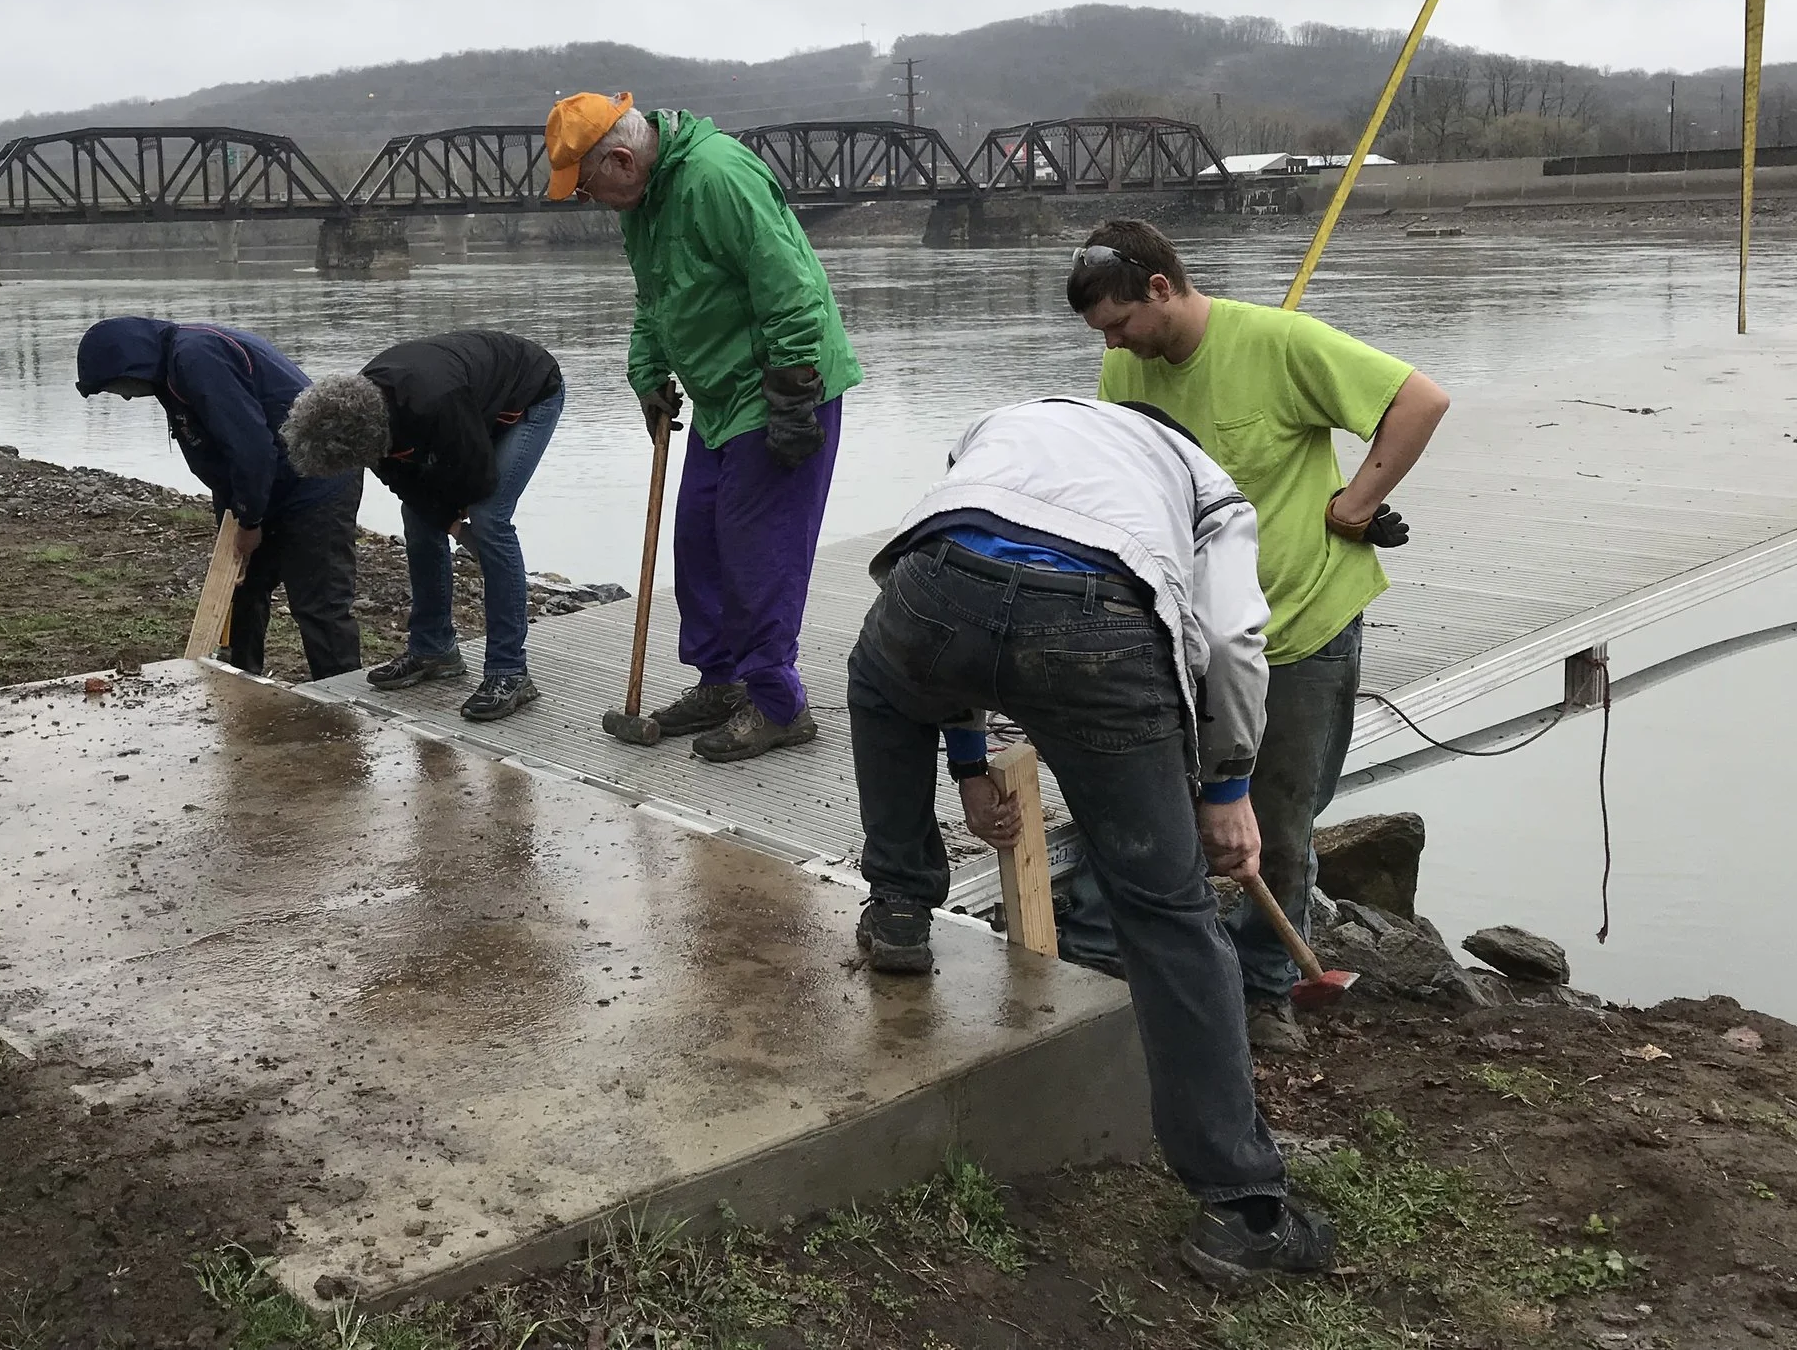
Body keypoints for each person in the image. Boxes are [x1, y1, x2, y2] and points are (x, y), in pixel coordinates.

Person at [845, 393, 1336, 1293]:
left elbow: (969, 563)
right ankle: (1243, 1209)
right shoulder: (1208, 485)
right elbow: (1230, 635)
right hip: (1098, 627)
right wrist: (1227, 785)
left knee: (880, 685)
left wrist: (962, 753)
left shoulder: (1007, 420)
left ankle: (902, 905)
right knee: (1166, 909)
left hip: (936, 582)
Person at [1067, 218, 1450, 1053]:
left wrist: (1354, 503)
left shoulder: (1278, 344)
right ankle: (1141, 965)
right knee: (1163, 801)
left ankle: (1266, 989)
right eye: (1104, 334)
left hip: (1303, 625)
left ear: (1161, 288)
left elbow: (1420, 400)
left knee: (1280, 819)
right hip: (1187, 632)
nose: (1115, 344)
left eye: (1121, 323)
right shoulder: (1125, 363)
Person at [544, 90, 863, 762]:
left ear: (623, 159)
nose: (589, 201)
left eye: (588, 187)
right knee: (700, 541)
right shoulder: (646, 204)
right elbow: (654, 299)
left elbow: (790, 283)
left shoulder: (717, 177)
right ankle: (722, 683)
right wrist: (648, 373)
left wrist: (795, 390)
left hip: (778, 385)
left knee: (758, 549)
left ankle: (779, 703)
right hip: (721, 396)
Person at [281, 330, 565, 723]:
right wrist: (445, 520)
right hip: (464, 403)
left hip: (529, 391)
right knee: (417, 516)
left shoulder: (434, 403)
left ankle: (510, 672)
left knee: (489, 519)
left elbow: (477, 477)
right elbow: (402, 481)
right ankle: (434, 649)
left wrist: (459, 525)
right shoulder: (356, 412)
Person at [74, 316, 362, 680]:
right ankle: (237, 685)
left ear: (132, 363)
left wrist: (250, 520)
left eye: (119, 387)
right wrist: (232, 521)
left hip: (317, 477)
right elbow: (219, 455)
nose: (127, 396)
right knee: (239, 588)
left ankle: (345, 704)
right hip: (265, 483)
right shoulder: (171, 372)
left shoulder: (196, 358)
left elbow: (253, 448)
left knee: (319, 606)